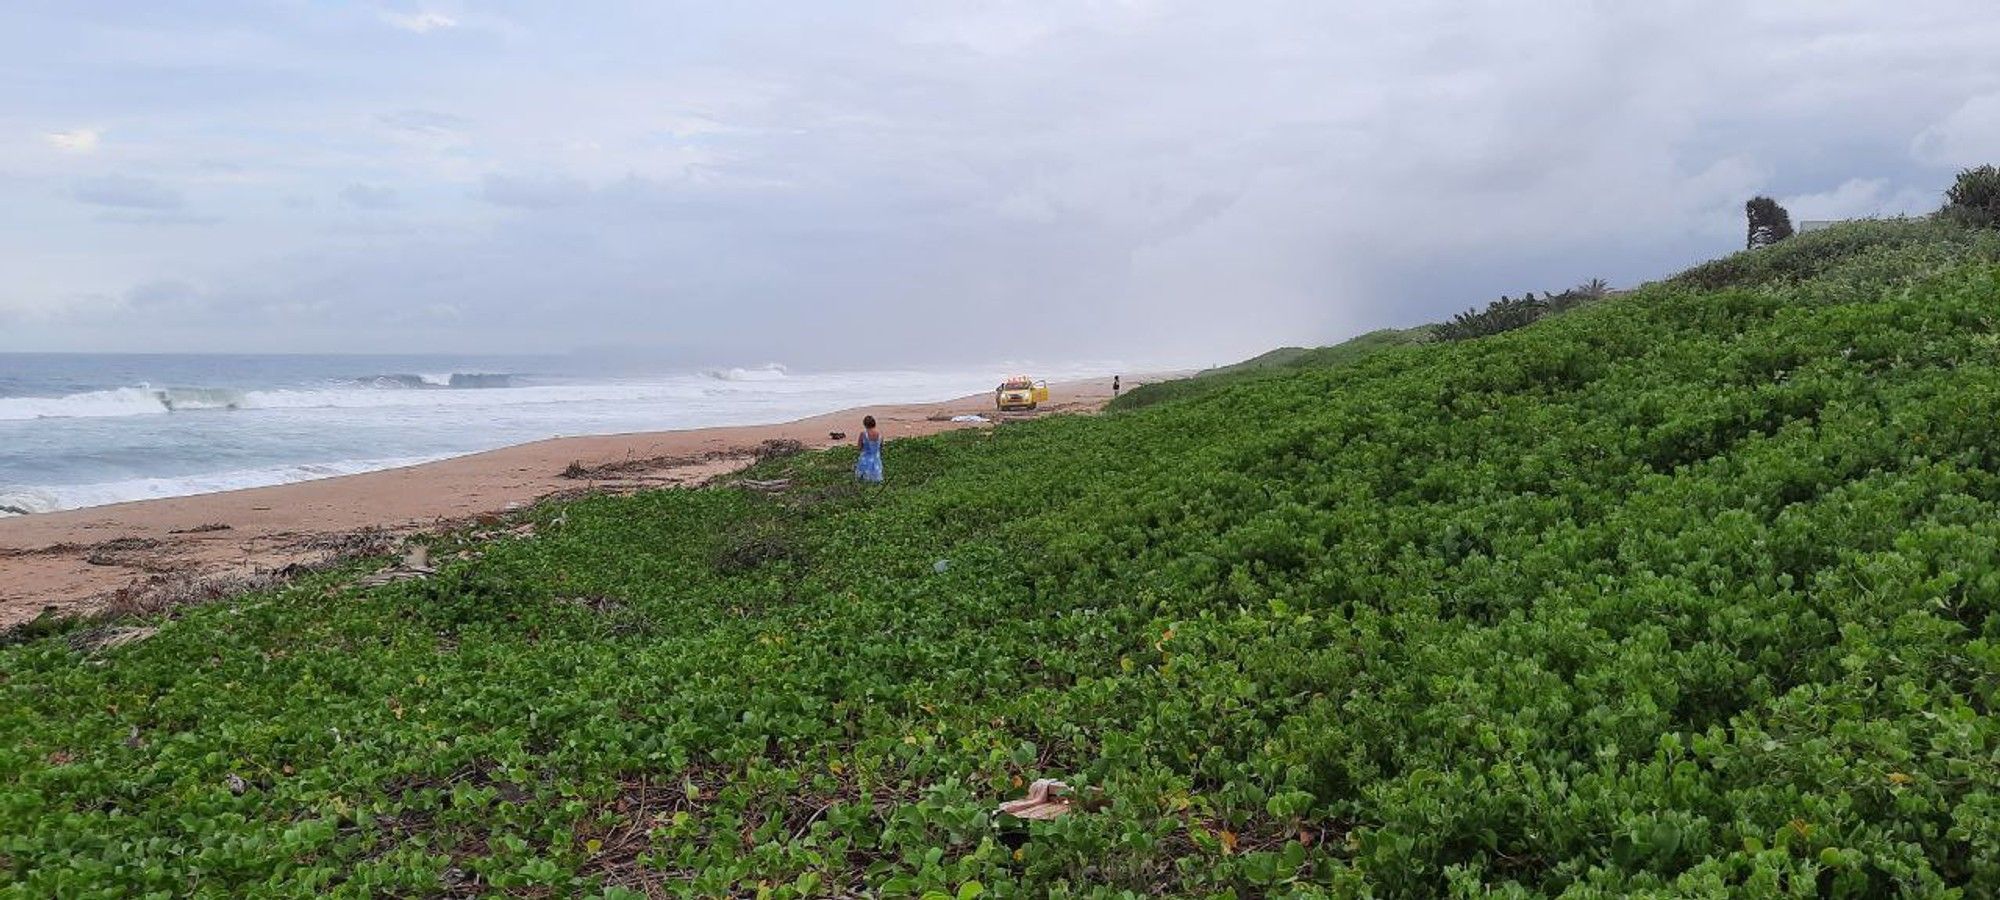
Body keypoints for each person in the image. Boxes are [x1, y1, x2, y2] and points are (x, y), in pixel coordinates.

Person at [854, 415, 883, 483]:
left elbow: (859, 447)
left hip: (865, 460)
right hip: (876, 460)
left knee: (863, 479)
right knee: (876, 480)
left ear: (865, 424)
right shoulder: (880, 435)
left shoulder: (863, 434)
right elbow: (881, 447)